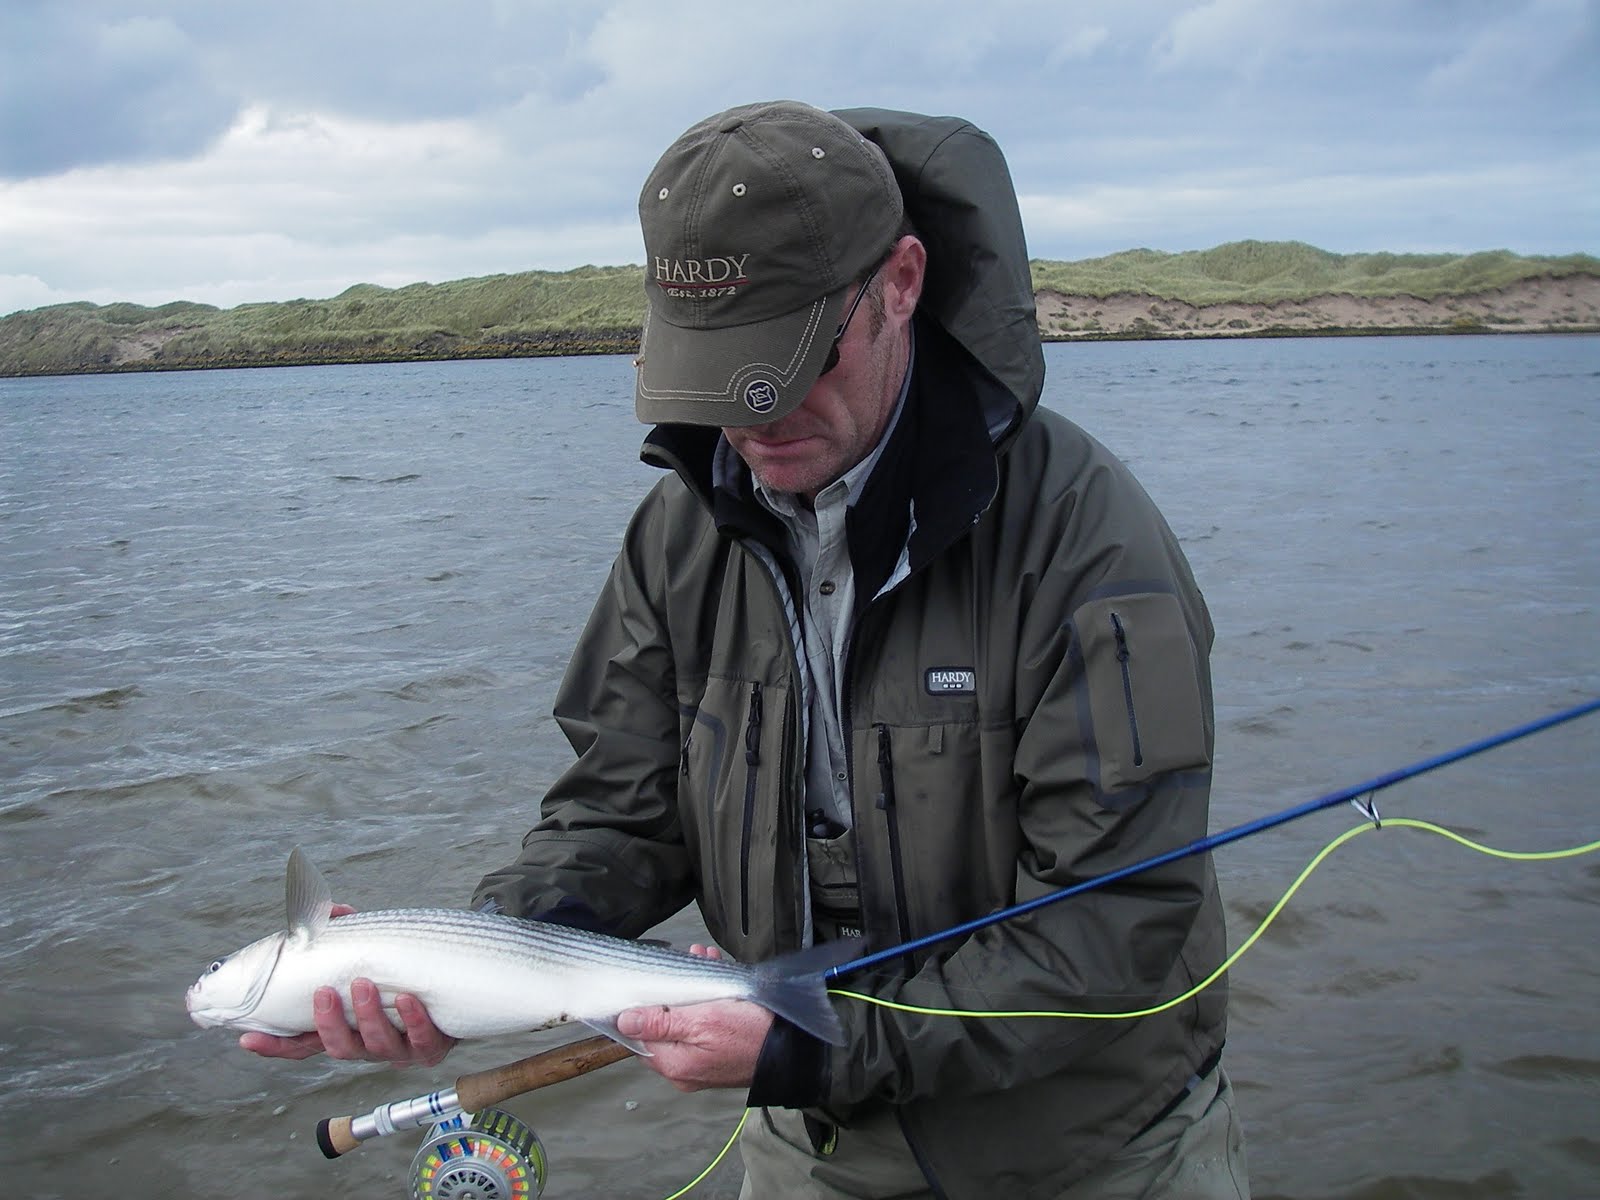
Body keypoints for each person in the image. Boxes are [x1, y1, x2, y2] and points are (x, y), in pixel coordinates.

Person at [245, 100, 1249, 1198]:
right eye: (717, 373)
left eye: (789, 362)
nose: (753, 422)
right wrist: (469, 963)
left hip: (1085, 1154)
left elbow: (1109, 928)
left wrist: (811, 1046)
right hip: (805, 1141)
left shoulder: (1088, 539)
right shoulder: (678, 532)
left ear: (900, 283)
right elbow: (616, 814)